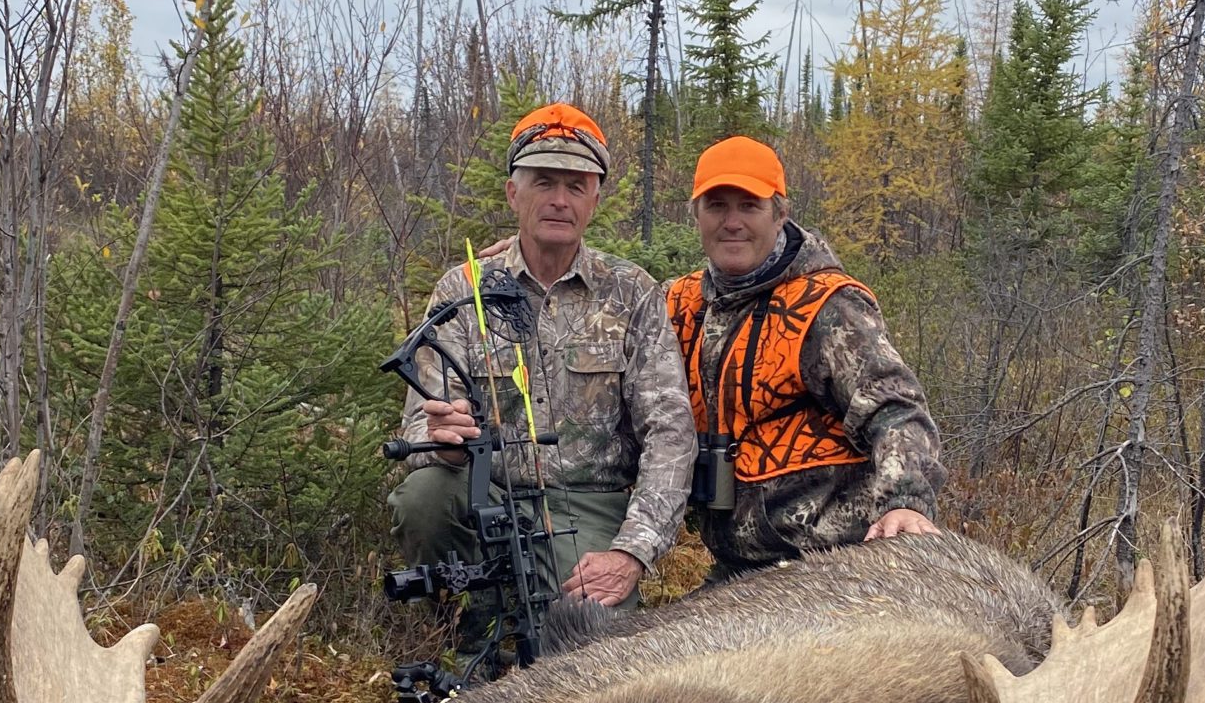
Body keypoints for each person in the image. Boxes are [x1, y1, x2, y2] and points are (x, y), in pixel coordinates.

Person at [391, 102, 695, 625]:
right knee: (423, 499)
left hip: (588, 504)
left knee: (589, 634)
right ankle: (474, 615)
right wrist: (444, 442)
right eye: (543, 182)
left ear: (595, 199)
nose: (559, 200)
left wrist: (632, 551)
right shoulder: (463, 289)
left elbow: (670, 433)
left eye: (576, 186)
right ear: (514, 192)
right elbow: (420, 424)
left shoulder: (631, 292)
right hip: (485, 490)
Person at [667, 133, 945, 576]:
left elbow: (896, 410)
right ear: (695, 215)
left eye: (749, 205)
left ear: (780, 213)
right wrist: (523, 262)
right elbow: (610, 317)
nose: (732, 221)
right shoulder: (680, 303)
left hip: (833, 562)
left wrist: (906, 503)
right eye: (717, 205)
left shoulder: (828, 308)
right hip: (739, 566)